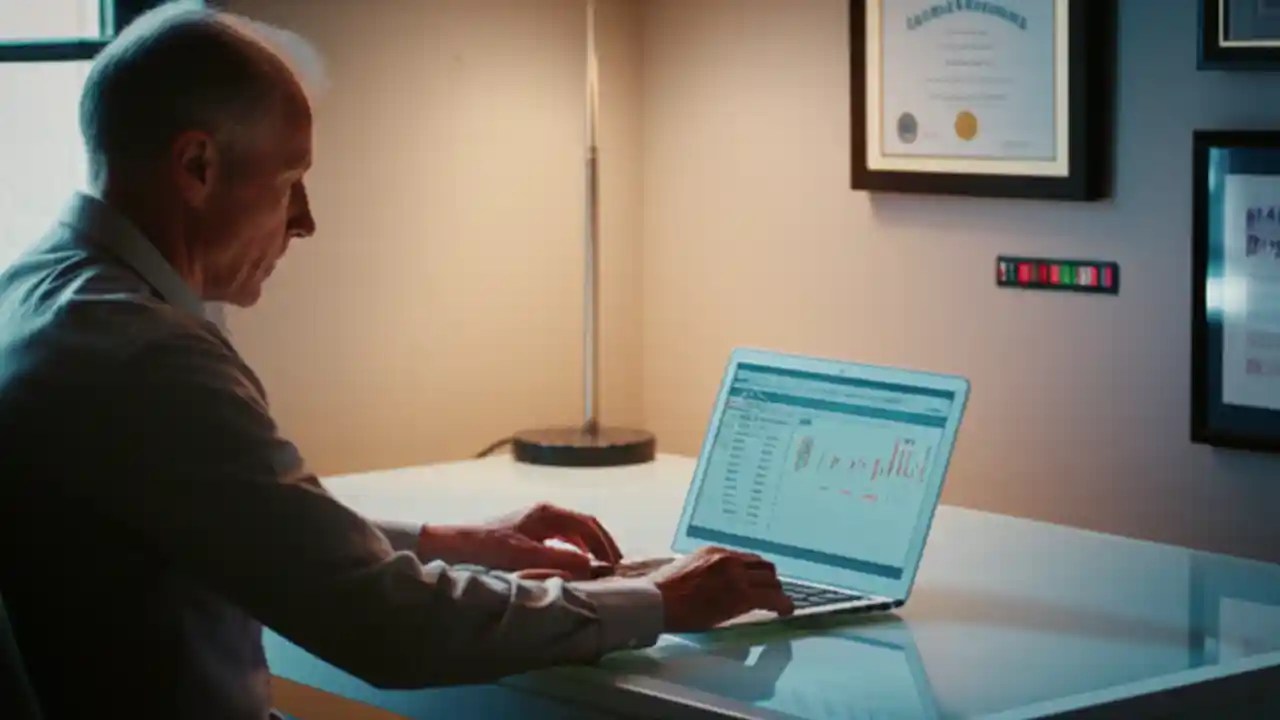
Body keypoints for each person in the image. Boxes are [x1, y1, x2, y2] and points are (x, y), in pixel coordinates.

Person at [0, 4, 793, 719]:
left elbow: (243, 521)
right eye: (291, 181)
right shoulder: (149, 355)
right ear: (197, 166)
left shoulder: (41, 292)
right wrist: (655, 601)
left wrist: (449, 541)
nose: (306, 222)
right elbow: (382, 627)